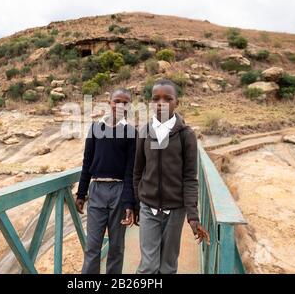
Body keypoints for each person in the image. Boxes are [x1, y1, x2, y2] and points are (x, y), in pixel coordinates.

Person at [134, 79, 210, 274]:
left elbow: (190, 178)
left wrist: (193, 216)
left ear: (177, 102)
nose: (161, 103)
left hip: (176, 210)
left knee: (168, 267)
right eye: (156, 99)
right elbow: (137, 172)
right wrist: (136, 204)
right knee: (148, 266)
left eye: (168, 98)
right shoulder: (144, 132)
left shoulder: (186, 135)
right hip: (147, 208)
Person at [76, 88, 137, 274]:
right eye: (116, 101)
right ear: (108, 102)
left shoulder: (131, 132)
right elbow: (87, 162)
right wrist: (81, 193)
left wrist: (129, 203)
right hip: (96, 190)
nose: (120, 105)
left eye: (125, 102)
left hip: (119, 191)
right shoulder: (95, 128)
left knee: (117, 247)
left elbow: (130, 171)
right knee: (92, 246)